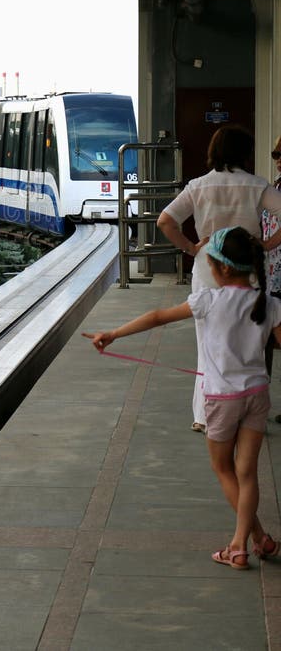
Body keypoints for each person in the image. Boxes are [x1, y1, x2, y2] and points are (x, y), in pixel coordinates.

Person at [83, 226, 281, 569]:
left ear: (221, 268)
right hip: (257, 395)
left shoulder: (208, 300)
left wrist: (112, 334)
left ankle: (239, 546)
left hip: (222, 399)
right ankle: (258, 539)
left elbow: (157, 317)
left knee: (223, 468)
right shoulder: (271, 303)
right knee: (247, 473)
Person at [156, 125, 281, 433]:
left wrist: (191, 248)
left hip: (208, 268)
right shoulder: (257, 185)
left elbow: (165, 221)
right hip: (247, 270)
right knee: (248, 342)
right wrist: (266, 244)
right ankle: (246, 410)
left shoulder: (198, 186)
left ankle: (204, 414)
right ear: (246, 153)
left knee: (207, 343)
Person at [262, 136, 281, 382]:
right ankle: (262, 388)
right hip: (272, 271)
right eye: (276, 154)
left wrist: (265, 244)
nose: (279, 159)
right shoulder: (276, 185)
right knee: (267, 332)